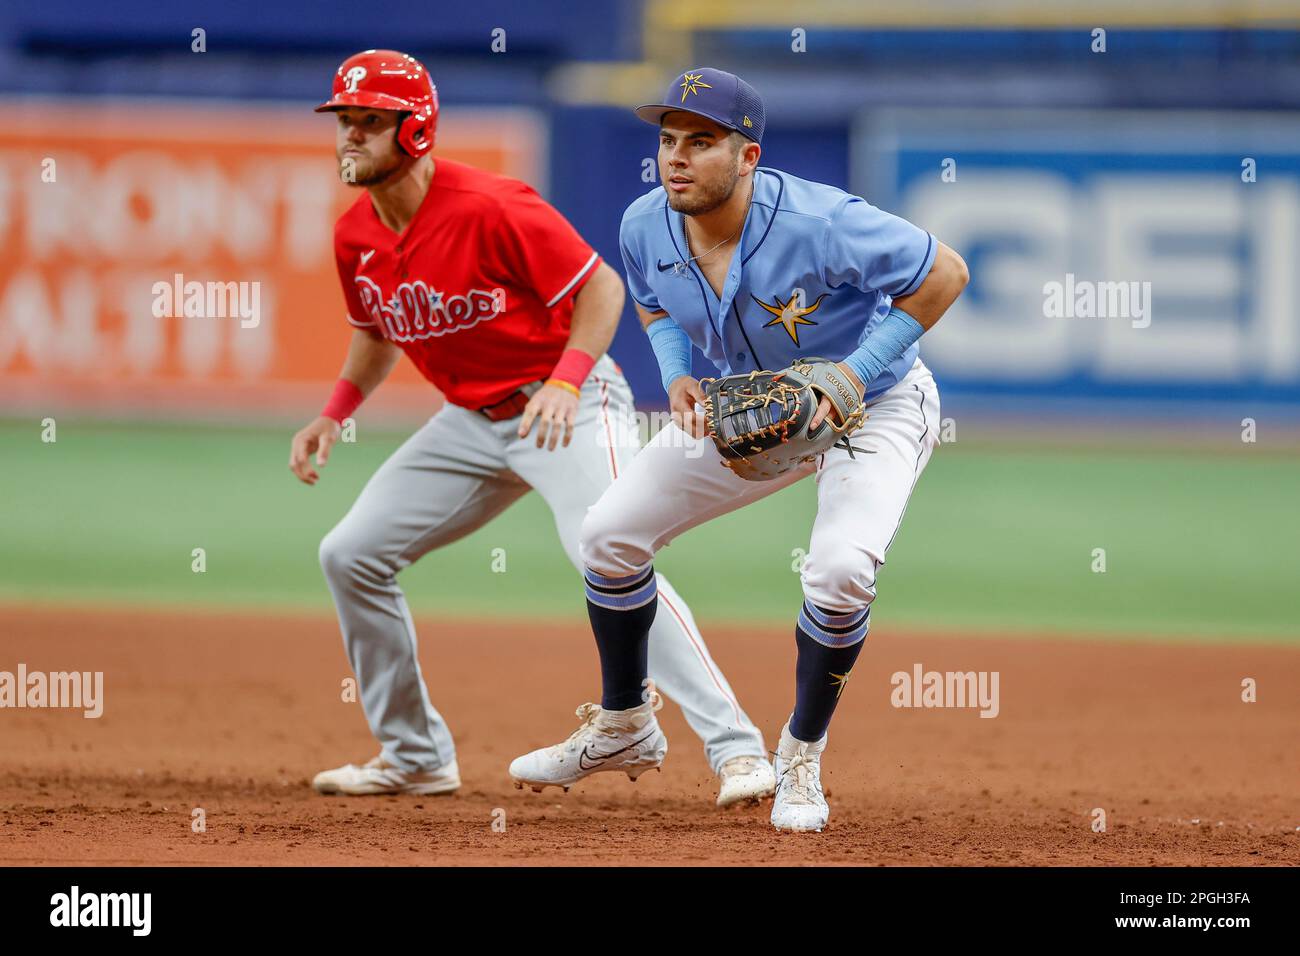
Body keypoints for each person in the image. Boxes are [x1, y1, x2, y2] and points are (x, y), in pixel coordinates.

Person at [290, 51, 775, 807]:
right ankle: (415, 756)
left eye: (368, 121)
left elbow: (601, 288)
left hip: (569, 407)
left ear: (414, 130)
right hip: (471, 422)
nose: (349, 136)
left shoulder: (491, 205)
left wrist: (564, 380)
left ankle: (737, 749)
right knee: (350, 554)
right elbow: (376, 333)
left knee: (612, 551)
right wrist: (334, 414)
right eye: (344, 121)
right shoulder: (356, 235)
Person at [509, 67, 969, 832]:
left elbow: (944, 274)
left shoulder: (822, 223)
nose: (676, 157)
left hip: (875, 404)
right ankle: (625, 723)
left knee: (841, 570)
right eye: (666, 140)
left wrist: (853, 375)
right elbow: (653, 302)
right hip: (753, 410)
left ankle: (799, 756)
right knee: (608, 537)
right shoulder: (644, 223)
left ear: (748, 156)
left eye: (701, 140)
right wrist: (678, 374)